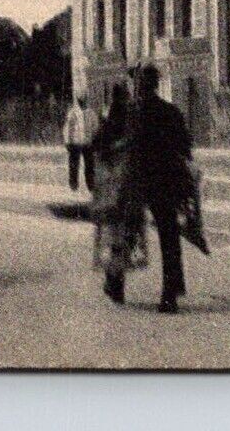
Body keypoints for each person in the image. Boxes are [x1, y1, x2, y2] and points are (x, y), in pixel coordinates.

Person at [125, 64, 195, 314]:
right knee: (169, 235)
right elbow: (185, 147)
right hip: (166, 181)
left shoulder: (131, 112)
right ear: (156, 85)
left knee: (124, 229)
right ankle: (170, 293)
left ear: (139, 85)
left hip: (137, 181)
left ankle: (115, 283)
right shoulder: (171, 111)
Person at [90, 82, 146, 304]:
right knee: (124, 238)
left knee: (113, 239)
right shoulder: (131, 124)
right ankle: (117, 283)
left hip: (111, 193)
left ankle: (114, 281)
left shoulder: (108, 124)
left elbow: (96, 146)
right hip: (127, 192)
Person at [61, 94, 97, 191]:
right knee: (74, 165)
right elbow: (68, 128)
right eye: (80, 100)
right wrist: (67, 141)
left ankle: (91, 184)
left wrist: (94, 140)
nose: (82, 102)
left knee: (89, 165)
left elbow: (95, 128)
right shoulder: (73, 113)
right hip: (75, 142)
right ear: (77, 101)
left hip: (87, 142)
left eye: (84, 100)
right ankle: (73, 184)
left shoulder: (91, 113)